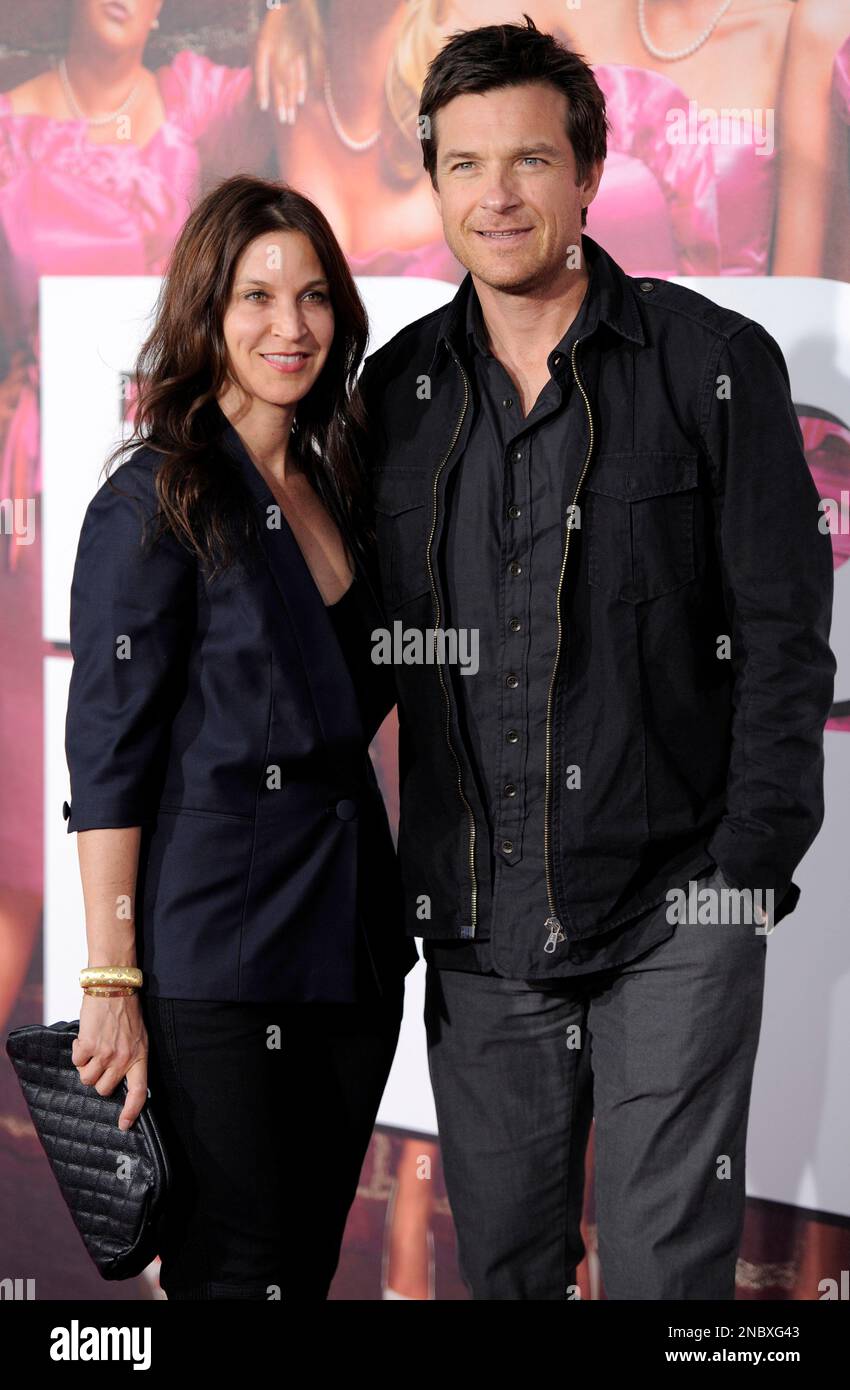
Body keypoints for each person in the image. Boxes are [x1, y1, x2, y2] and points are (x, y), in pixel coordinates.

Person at [356, 18, 835, 1299]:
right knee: (504, 1269)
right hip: (474, 921)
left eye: (526, 161)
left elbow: (788, 638)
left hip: (677, 912)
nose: (495, 196)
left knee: (665, 1276)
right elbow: (349, 661)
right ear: (434, 179)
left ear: (588, 172)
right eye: (462, 165)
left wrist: (742, 875)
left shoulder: (714, 364)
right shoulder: (393, 395)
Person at [64, 173, 418, 1300]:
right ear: (206, 311)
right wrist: (111, 976)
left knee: (298, 1267)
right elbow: (107, 756)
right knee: (235, 1267)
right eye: (257, 296)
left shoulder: (335, 482)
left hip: (348, 950)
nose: (291, 326)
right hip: (214, 959)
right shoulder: (154, 499)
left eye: (314, 297)